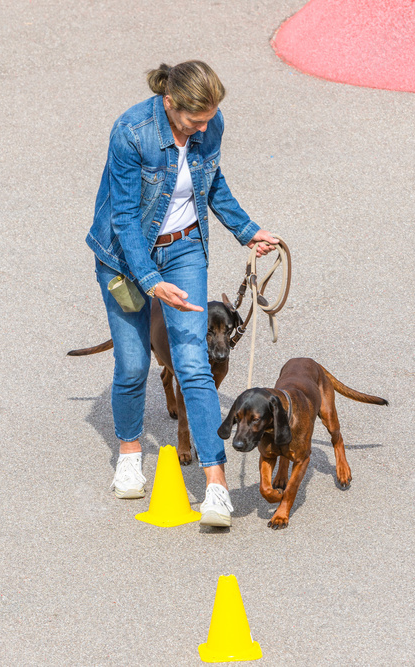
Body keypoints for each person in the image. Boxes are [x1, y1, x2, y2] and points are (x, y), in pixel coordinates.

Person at [85, 60, 278, 528]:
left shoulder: (209, 124)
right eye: (196, 120)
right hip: (125, 259)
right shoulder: (132, 132)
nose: (205, 127)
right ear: (169, 103)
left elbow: (214, 184)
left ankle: (216, 484)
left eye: (211, 118)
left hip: (186, 249)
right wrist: (149, 280)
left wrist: (246, 230)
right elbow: (126, 218)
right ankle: (130, 453)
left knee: (194, 365)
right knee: (133, 366)